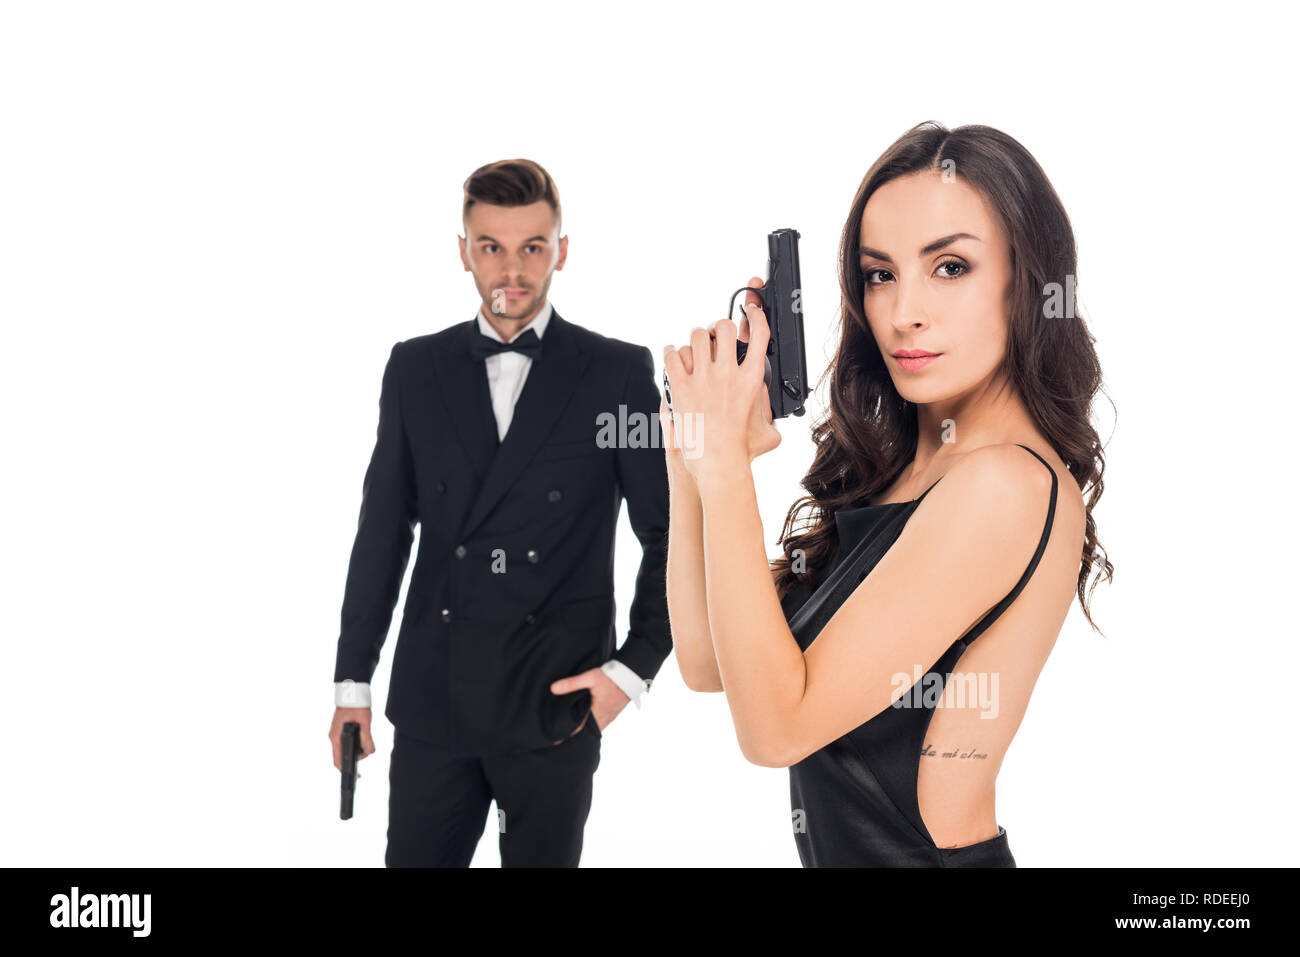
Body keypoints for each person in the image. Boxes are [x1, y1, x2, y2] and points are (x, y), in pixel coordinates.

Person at [663, 121, 1112, 866]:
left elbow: (775, 730)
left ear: (1028, 279)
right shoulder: (912, 472)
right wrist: (696, 450)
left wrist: (726, 472)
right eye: (880, 274)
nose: (904, 311)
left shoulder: (1003, 484)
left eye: (950, 267)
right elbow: (710, 661)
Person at [328, 158, 671, 867]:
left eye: (532, 247)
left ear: (562, 251)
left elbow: (667, 534)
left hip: (553, 707)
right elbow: (383, 533)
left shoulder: (616, 372)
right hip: (433, 707)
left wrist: (632, 673)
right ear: (463, 251)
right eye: (491, 246)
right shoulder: (414, 367)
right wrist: (352, 682)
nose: (511, 269)